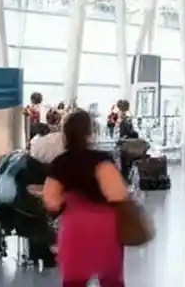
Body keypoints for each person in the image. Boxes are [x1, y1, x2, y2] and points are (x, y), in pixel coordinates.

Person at [42, 110, 130, 287]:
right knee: (111, 280)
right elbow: (118, 195)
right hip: (106, 229)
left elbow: (51, 201)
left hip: (74, 230)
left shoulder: (60, 163)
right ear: (91, 132)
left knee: (74, 281)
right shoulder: (103, 160)